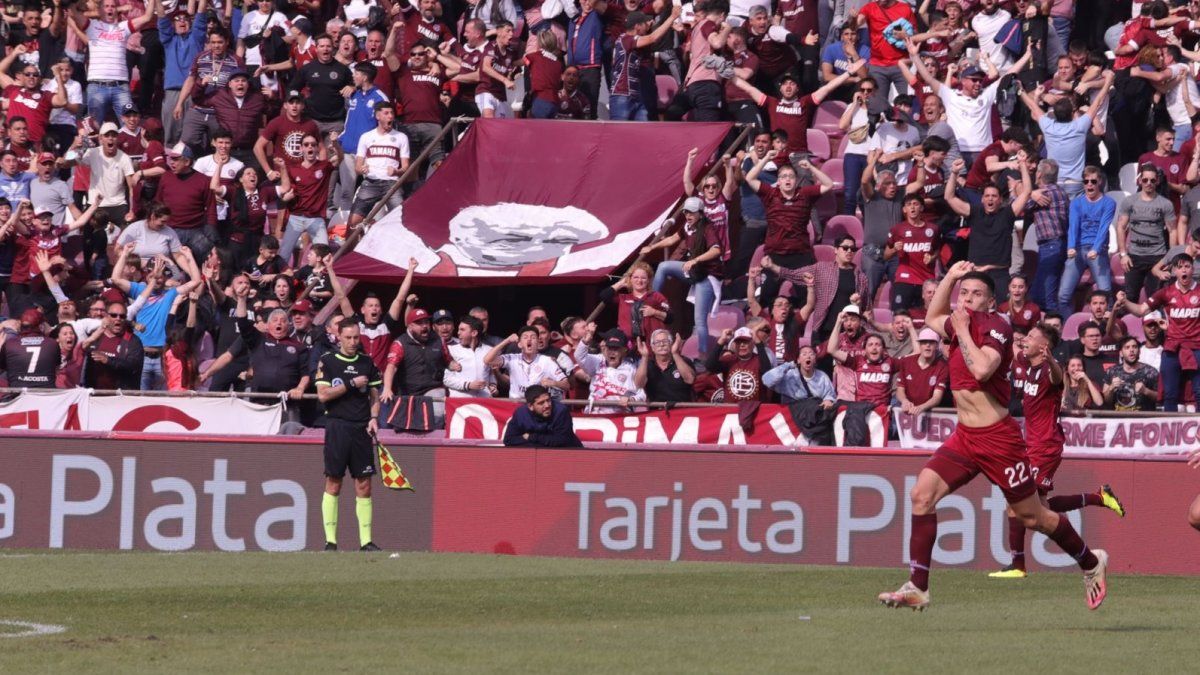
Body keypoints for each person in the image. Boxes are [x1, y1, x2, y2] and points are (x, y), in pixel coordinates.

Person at [877, 262, 1109, 612]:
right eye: (964, 293)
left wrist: (962, 329)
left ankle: (1091, 562)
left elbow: (983, 368)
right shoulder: (961, 324)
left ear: (990, 302)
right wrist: (951, 277)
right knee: (921, 495)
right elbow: (930, 318)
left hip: (999, 439)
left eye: (977, 294)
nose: (968, 299)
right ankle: (918, 586)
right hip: (966, 436)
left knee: (1034, 518)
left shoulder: (996, 325)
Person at [990, 323, 1126, 578]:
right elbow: (1009, 348)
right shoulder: (1024, 361)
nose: (1026, 340)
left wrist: (1052, 362)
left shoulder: (1050, 371)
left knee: (1016, 505)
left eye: (1031, 337)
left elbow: (1056, 376)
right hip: (1032, 444)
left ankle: (1018, 566)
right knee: (1039, 510)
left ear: (1044, 348)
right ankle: (1099, 497)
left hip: (1046, 446)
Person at [316, 319, 383, 552]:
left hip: (361, 428)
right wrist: (350, 384)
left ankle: (365, 541)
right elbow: (323, 395)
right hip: (338, 426)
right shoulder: (328, 361)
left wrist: (374, 418)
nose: (353, 342)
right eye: (348, 338)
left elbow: (375, 395)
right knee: (334, 482)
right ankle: (330, 542)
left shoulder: (367, 362)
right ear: (339, 337)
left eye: (356, 338)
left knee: (364, 484)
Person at [1116, 253, 1200, 412]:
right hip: (1172, 348)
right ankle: (1169, 432)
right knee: (1170, 394)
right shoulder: (1166, 293)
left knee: (1199, 391)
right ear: (1174, 271)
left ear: (1192, 269)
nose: (1184, 270)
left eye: (1187, 266)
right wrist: (1125, 302)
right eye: (1180, 267)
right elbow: (1141, 310)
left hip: (1197, 347)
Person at [944, 157, 1032, 301]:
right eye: (987, 196)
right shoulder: (974, 212)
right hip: (976, 273)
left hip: (1000, 274)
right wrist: (954, 173)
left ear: (1000, 200)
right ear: (982, 199)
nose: (990, 199)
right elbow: (949, 197)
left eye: (994, 196)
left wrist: (1022, 164)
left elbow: (1027, 191)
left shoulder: (1008, 213)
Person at [1116, 165, 1175, 303]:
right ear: (1140, 180)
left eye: (1152, 180)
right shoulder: (1129, 201)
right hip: (1134, 257)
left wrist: (1171, 257)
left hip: (1157, 256)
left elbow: (1173, 231)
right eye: (1145, 180)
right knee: (1130, 297)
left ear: (1157, 181)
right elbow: (1121, 227)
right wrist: (1123, 254)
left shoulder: (1165, 204)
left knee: (1156, 299)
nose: (1149, 183)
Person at [347, 102, 409, 233]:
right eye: (386, 113)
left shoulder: (401, 137)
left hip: (392, 184)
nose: (390, 116)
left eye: (392, 113)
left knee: (400, 221)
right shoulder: (366, 137)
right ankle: (348, 251)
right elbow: (357, 166)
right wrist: (361, 169)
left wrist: (397, 171)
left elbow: (406, 167)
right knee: (353, 221)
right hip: (371, 182)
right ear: (377, 116)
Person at [485, 326, 570, 400]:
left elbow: (566, 385)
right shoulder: (512, 358)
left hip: (537, 407)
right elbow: (487, 360)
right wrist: (507, 341)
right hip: (516, 405)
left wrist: (553, 383)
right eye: (525, 337)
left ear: (537, 343)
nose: (529, 339)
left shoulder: (547, 361)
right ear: (520, 344)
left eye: (533, 337)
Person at [502, 384, 584, 448]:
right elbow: (509, 440)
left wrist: (532, 437)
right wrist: (541, 443)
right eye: (541, 403)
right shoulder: (521, 414)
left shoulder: (561, 411)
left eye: (548, 400)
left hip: (569, 454)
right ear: (530, 406)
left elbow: (562, 440)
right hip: (535, 456)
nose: (547, 405)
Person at [706, 326, 772, 402]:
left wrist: (759, 344)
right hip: (731, 409)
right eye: (738, 342)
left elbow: (767, 370)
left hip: (754, 408)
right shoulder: (729, 359)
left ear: (753, 343)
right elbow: (709, 366)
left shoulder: (759, 359)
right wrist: (721, 341)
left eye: (746, 342)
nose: (742, 345)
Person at [0, 308, 58, 388]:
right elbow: (57, 366)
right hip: (46, 394)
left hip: (18, 395)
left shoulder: (10, 344)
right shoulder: (52, 343)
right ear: (41, 326)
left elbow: (2, 367)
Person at [896, 327, 949, 415]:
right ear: (919, 345)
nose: (927, 345)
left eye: (931, 342)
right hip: (907, 409)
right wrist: (904, 401)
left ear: (936, 346)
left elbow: (937, 397)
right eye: (924, 342)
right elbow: (900, 389)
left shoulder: (943, 367)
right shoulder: (906, 362)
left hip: (929, 411)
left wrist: (921, 408)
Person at [634, 329, 695, 403]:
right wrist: (644, 356)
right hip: (657, 411)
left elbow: (690, 379)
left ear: (671, 344)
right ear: (652, 347)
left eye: (665, 341)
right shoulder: (647, 364)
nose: (662, 345)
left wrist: (675, 353)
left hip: (682, 410)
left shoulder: (683, 361)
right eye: (657, 342)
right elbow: (639, 385)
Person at [763, 344, 836, 405]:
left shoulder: (822, 376)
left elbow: (830, 395)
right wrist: (788, 365)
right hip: (792, 415)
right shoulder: (790, 375)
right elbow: (767, 380)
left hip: (813, 415)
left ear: (815, 360)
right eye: (804, 354)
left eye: (811, 354)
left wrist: (828, 401)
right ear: (798, 360)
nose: (808, 356)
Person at [1102, 336, 1159, 412]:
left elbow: (1160, 398)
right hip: (1119, 420)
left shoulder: (1151, 372)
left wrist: (1146, 391)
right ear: (1121, 353)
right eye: (1127, 347)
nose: (1131, 350)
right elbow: (1105, 401)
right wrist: (1111, 388)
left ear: (1139, 351)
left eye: (1134, 347)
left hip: (1143, 421)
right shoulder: (1112, 371)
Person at [444, 315, 496, 397]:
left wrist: (493, 385)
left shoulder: (489, 350)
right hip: (460, 402)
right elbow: (446, 379)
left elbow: (491, 374)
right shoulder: (451, 350)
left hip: (484, 401)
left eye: (462, 330)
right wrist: (468, 385)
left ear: (474, 333)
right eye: (458, 329)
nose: (458, 333)